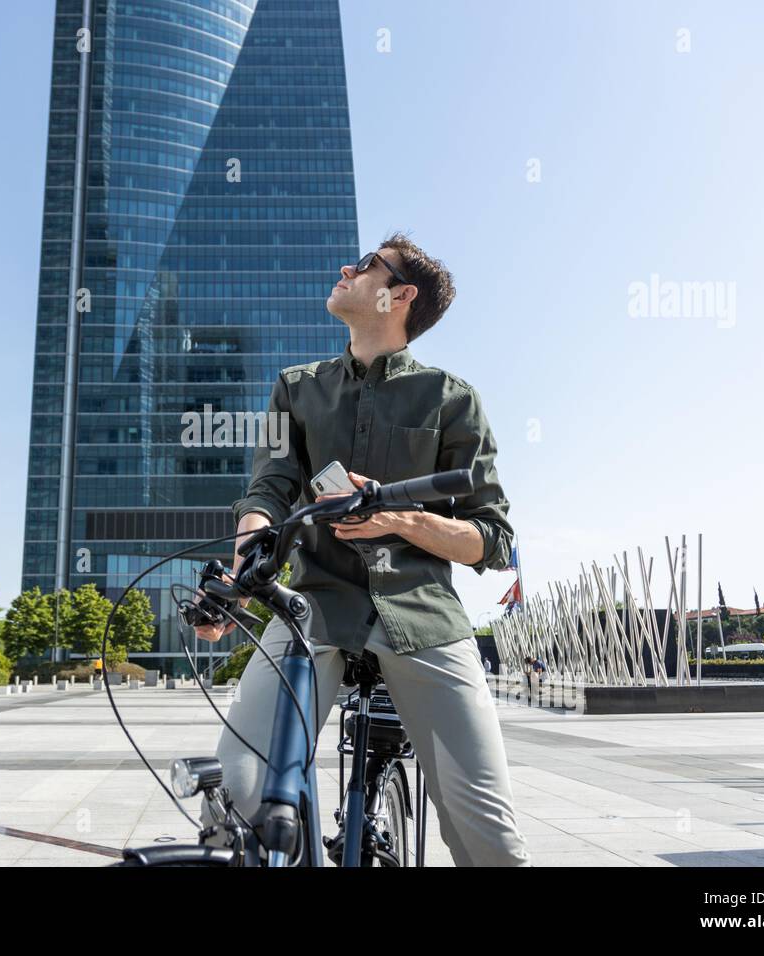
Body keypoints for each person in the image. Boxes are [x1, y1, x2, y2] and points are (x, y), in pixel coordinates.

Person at [193, 234, 531, 867]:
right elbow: (265, 489)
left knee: (490, 834)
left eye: (368, 265)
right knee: (237, 785)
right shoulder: (293, 387)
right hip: (311, 608)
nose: (347, 269)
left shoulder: (452, 398)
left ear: (398, 296)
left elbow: (496, 541)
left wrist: (401, 519)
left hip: (422, 615)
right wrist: (237, 577)